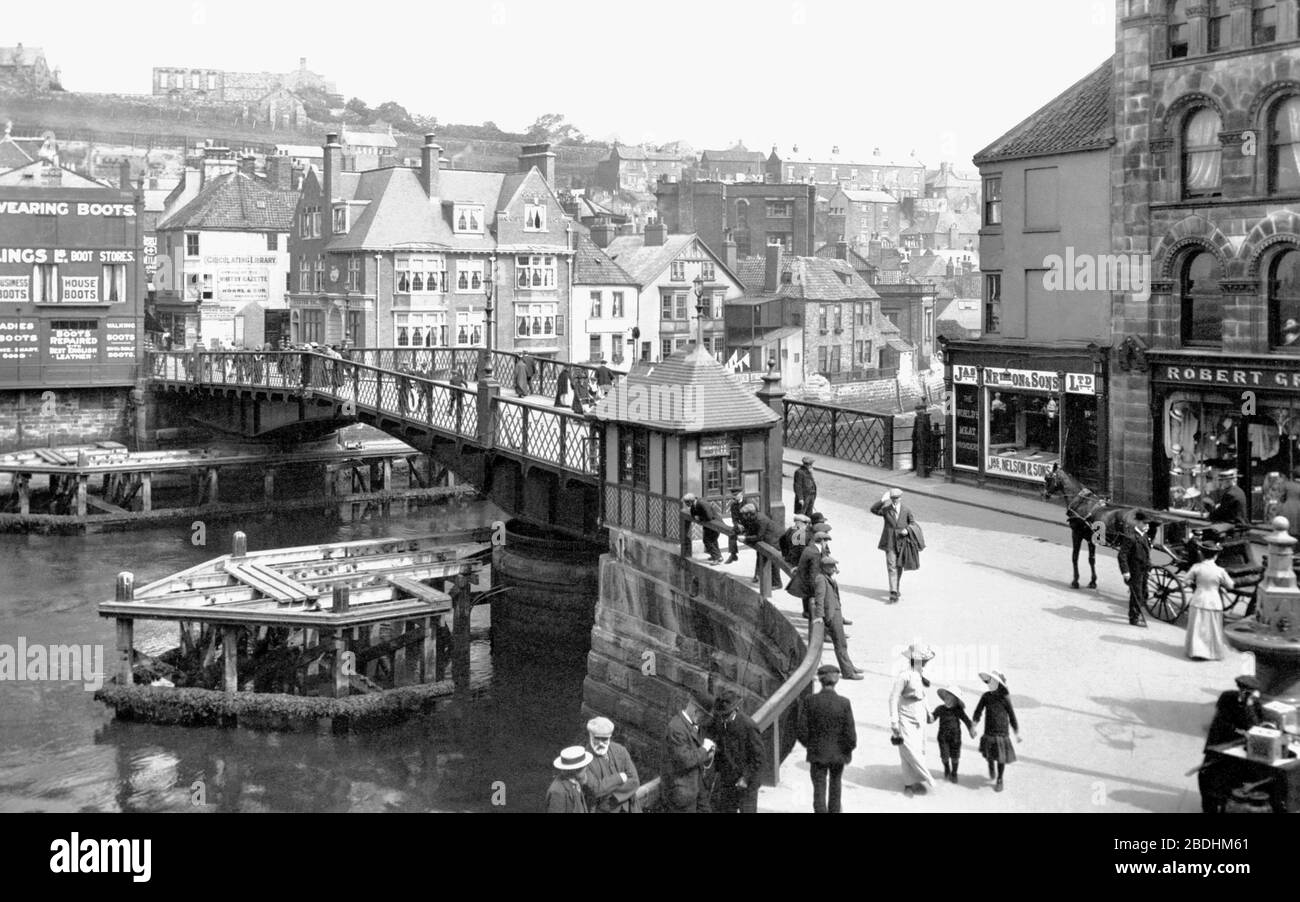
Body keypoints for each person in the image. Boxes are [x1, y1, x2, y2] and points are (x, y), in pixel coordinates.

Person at [1198, 674, 1264, 813]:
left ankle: (1226, 805)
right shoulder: (1227, 698)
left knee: (1232, 780)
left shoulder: (1255, 703)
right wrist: (1238, 730)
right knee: (1206, 776)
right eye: (1242, 690)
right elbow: (1221, 722)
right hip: (1220, 743)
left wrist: (1248, 706)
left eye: (1248, 692)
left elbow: (1254, 726)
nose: (1243, 694)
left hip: (1239, 748)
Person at [796, 664, 857, 813]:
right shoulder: (844, 703)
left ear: (820, 680)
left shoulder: (810, 701)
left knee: (819, 788)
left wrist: (810, 745)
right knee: (836, 786)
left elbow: (801, 730)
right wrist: (847, 750)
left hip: (817, 753)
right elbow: (850, 734)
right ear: (836, 681)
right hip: (838, 754)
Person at [889, 643, 937, 796]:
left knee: (919, 748)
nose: (925, 663)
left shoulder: (920, 675)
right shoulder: (904, 676)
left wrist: (929, 712)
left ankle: (914, 780)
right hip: (905, 715)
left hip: (920, 715)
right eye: (923, 661)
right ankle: (917, 780)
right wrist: (894, 721)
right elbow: (893, 698)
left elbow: (922, 695)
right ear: (916, 661)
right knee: (907, 749)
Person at [708, 690, 763, 813]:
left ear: (735, 710)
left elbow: (758, 758)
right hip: (728, 780)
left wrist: (745, 778)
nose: (723, 719)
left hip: (747, 783)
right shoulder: (720, 722)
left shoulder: (748, 726)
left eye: (726, 715)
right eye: (721, 716)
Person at [662, 690, 717, 813]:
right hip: (681, 794)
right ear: (696, 711)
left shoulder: (690, 725)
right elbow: (686, 761)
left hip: (695, 788)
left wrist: (707, 755)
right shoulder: (676, 728)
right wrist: (704, 749)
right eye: (704, 716)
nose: (705, 720)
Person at [813, 555, 864, 679]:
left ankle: (850, 666)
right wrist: (820, 615)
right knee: (840, 643)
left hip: (836, 612)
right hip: (831, 614)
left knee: (842, 643)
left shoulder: (827, 577)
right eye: (832, 567)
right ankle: (847, 672)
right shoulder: (821, 579)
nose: (835, 569)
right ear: (825, 568)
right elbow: (819, 598)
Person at [973, 670, 1021, 793]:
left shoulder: (1005, 699)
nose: (990, 683)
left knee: (1001, 758)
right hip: (989, 731)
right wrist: (974, 725)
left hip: (1002, 732)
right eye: (988, 681)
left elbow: (1011, 715)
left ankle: (1000, 778)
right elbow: (978, 711)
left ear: (999, 684)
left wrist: (1016, 733)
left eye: (993, 681)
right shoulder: (986, 696)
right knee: (989, 753)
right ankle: (990, 765)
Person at [579, 716, 641, 813]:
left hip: (629, 808)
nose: (600, 743)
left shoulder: (620, 750)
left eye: (604, 739)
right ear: (590, 736)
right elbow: (596, 790)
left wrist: (613, 797)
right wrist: (620, 777)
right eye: (597, 739)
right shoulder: (584, 759)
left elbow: (635, 781)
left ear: (610, 737)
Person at [1185, 542, 1234, 660]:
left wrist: (1193, 582)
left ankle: (1196, 651)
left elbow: (1186, 580)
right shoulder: (1220, 571)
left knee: (1197, 625)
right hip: (1214, 601)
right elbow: (1230, 585)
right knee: (1212, 627)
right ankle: (1211, 652)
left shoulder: (1196, 567)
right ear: (1215, 556)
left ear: (1201, 554)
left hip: (1199, 599)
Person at [870, 488, 918, 603]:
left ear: (900, 498)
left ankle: (896, 587)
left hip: (902, 543)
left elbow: (913, 524)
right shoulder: (886, 510)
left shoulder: (906, 510)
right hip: (890, 542)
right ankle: (893, 593)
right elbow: (873, 510)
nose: (894, 500)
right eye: (892, 498)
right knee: (892, 566)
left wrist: (907, 529)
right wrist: (882, 500)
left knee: (899, 566)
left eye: (896, 498)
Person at [929, 687, 976, 784]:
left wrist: (971, 730)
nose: (948, 701)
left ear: (955, 701)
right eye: (946, 698)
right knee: (944, 756)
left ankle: (954, 773)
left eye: (950, 699)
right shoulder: (940, 709)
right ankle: (947, 768)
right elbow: (933, 717)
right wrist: (929, 718)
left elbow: (967, 720)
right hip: (943, 737)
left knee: (955, 757)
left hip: (955, 738)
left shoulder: (958, 710)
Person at [1117, 510, 1153, 627]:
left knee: (1143, 592)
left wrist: (1149, 567)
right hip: (1134, 570)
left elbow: (1147, 553)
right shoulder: (1131, 537)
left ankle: (1137, 613)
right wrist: (1126, 572)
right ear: (1137, 523)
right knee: (1136, 594)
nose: (1147, 526)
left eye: (1148, 524)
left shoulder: (1145, 536)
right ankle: (1134, 618)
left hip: (1144, 570)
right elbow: (1122, 555)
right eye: (1145, 523)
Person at [739, 503, 784, 588]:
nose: (743, 517)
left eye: (744, 515)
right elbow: (752, 529)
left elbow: (759, 536)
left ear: (749, 513)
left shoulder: (761, 519)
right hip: (767, 538)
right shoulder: (753, 517)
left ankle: (777, 583)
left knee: (773, 559)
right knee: (760, 555)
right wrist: (745, 533)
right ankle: (758, 575)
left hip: (774, 539)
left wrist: (745, 538)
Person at [545, 746, 593, 812]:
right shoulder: (558, 792)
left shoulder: (575, 783)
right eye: (584, 766)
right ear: (575, 770)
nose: (586, 768)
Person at [682, 493, 725, 564]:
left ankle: (716, 558)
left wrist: (699, 517)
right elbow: (693, 513)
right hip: (708, 525)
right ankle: (718, 556)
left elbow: (709, 516)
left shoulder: (702, 504)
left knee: (708, 540)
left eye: (686, 503)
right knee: (712, 540)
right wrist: (696, 516)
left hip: (715, 523)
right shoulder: (694, 504)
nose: (686, 504)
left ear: (690, 501)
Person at [725, 488, 746, 563]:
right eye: (733, 495)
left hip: (750, 525)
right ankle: (733, 555)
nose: (734, 497)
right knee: (731, 533)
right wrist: (737, 524)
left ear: (741, 494)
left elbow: (754, 516)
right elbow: (734, 519)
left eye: (736, 495)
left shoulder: (748, 502)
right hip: (740, 526)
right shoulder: (733, 505)